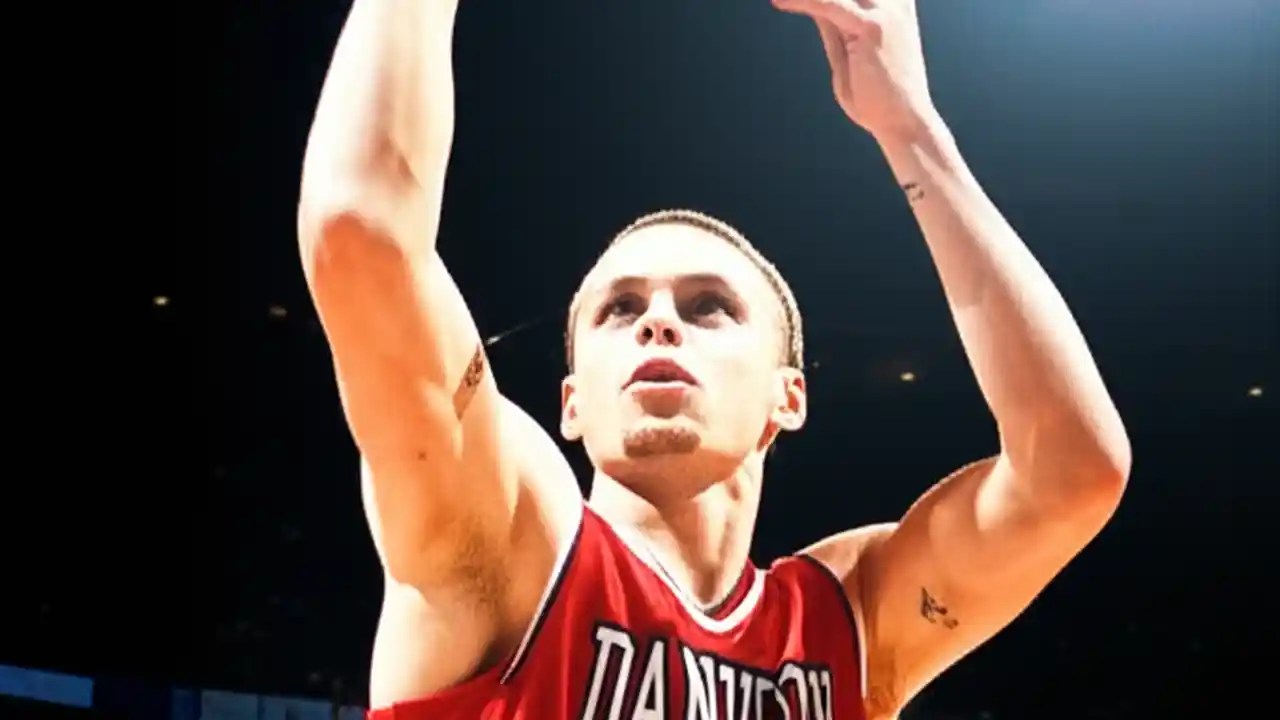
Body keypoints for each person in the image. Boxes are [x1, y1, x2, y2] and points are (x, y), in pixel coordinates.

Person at [296, 0, 1131, 718]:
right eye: (620, 308)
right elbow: (360, 232)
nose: (658, 322)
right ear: (571, 402)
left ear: (789, 396)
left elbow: (1074, 470)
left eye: (709, 307)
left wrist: (912, 129)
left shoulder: (847, 623)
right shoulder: (512, 538)